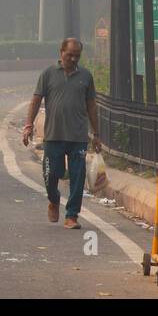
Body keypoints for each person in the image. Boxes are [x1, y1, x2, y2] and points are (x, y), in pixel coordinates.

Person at [21, 37, 101, 229]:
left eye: (77, 56)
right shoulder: (48, 74)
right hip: (53, 135)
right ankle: (54, 200)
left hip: (78, 136)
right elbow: (36, 100)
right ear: (61, 52)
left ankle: (72, 215)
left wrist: (96, 134)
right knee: (51, 174)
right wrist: (28, 125)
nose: (73, 59)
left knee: (77, 176)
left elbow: (91, 105)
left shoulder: (85, 76)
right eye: (69, 55)